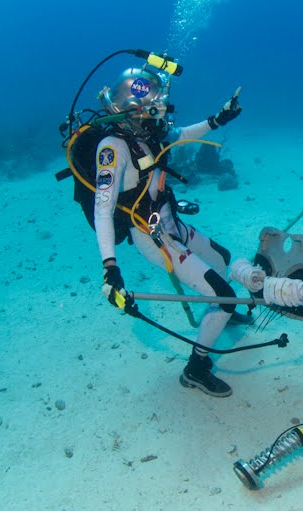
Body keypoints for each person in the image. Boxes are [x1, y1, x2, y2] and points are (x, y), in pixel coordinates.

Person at [95, 66, 243, 397]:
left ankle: (219, 317)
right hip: (153, 238)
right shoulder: (113, 148)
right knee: (226, 295)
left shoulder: (149, 134)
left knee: (223, 260)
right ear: (134, 109)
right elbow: (102, 209)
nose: (162, 111)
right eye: (155, 105)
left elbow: (184, 134)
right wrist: (110, 267)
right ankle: (196, 367)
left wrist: (218, 119)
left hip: (172, 224)